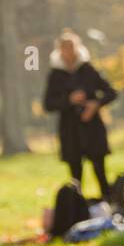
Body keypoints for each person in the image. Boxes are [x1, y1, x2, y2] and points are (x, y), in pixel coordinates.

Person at [42, 30, 117, 202]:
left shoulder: (88, 70)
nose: (68, 52)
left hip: (92, 127)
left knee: (99, 169)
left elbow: (111, 92)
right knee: (76, 175)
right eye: (64, 48)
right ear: (59, 50)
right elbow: (48, 104)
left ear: (77, 48)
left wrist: (95, 104)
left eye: (71, 47)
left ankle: (108, 203)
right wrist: (69, 100)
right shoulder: (55, 75)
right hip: (70, 130)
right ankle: (78, 209)